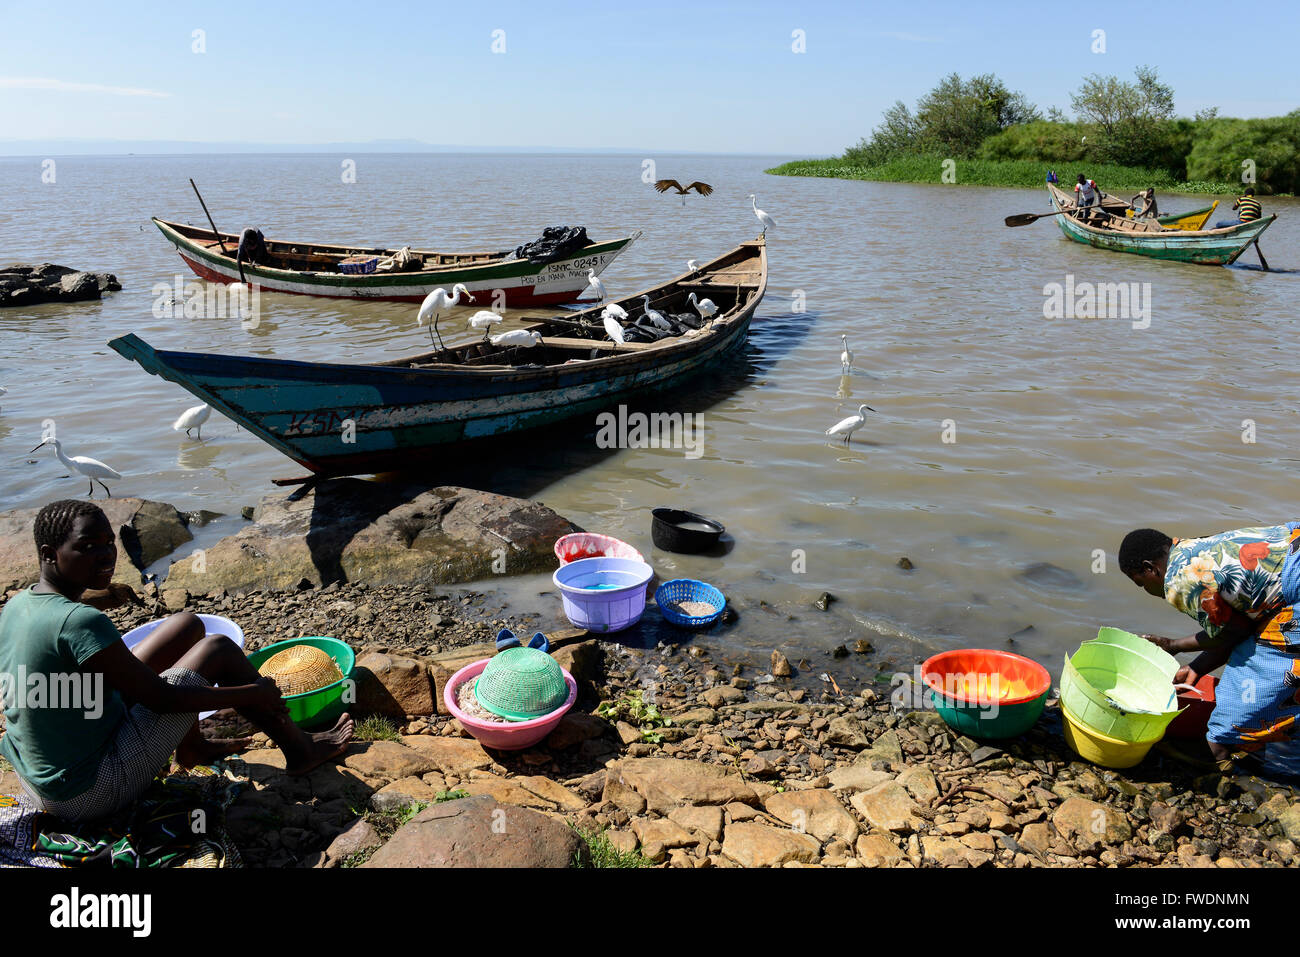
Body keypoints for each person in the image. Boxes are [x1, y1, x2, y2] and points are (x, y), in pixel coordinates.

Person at [0, 500, 353, 822]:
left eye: (109, 543)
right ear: (49, 554)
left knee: (186, 626)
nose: (107, 555)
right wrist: (251, 693)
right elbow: (163, 699)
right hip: (87, 793)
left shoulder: (18, 605)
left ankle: (193, 747)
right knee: (217, 649)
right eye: (88, 547)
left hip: (41, 784)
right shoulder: (79, 621)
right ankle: (301, 749)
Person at [1119, 523, 1300, 766]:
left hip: (1294, 588)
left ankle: (1221, 749)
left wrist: (1173, 645)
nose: (1148, 591)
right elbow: (1239, 628)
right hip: (1293, 548)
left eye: (1141, 583)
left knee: (1258, 674)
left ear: (1150, 569)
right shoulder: (1192, 548)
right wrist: (1196, 668)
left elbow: (1233, 632)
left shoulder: (1179, 581)